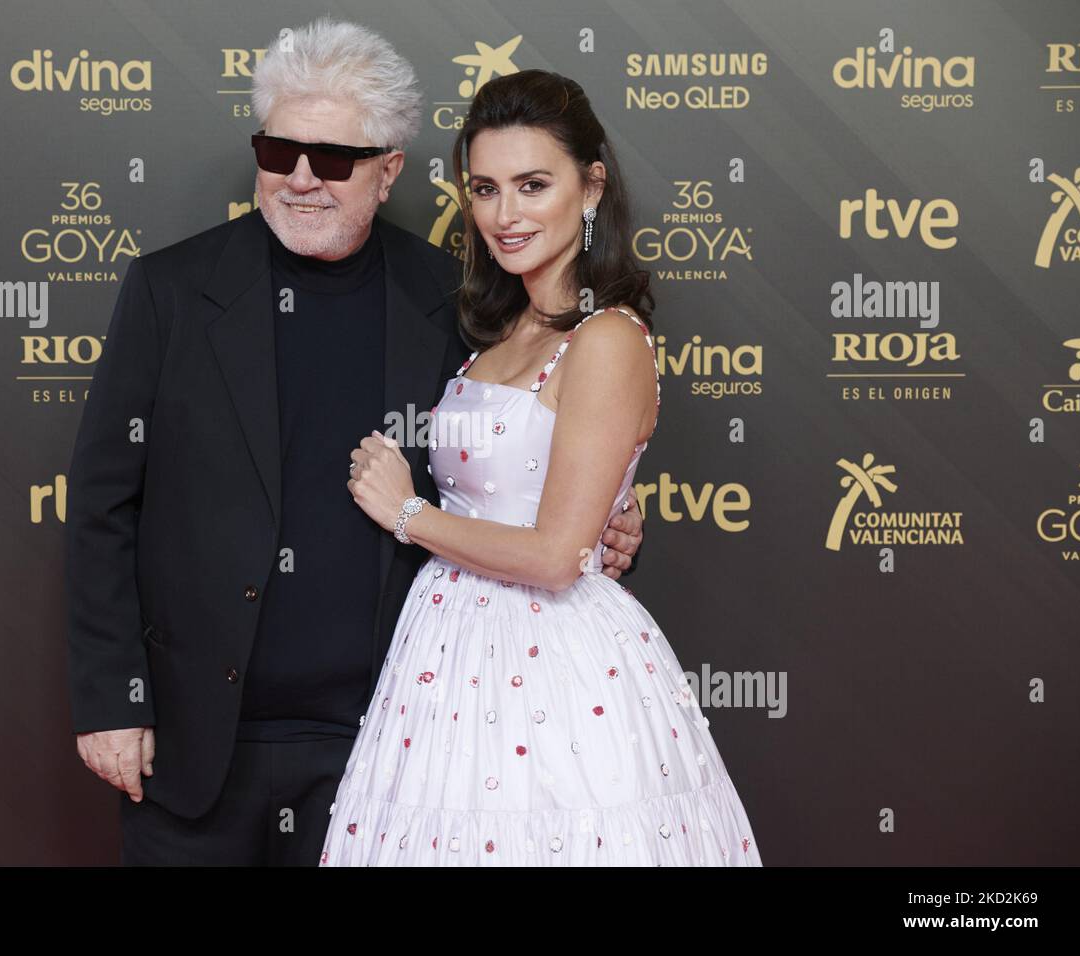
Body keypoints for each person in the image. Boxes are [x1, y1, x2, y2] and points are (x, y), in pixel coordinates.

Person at [63, 18, 646, 866]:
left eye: (334, 159)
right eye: (278, 152)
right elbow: (102, 505)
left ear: (388, 172)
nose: (301, 180)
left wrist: (609, 524)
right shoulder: (172, 290)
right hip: (192, 739)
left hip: (393, 739)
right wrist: (111, 698)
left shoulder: (456, 302)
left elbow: (519, 471)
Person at [321, 69, 762, 866]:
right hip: (444, 659)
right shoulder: (499, 331)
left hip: (555, 665)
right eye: (485, 189)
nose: (505, 214)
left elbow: (559, 557)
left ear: (591, 187)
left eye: (533, 184)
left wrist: (405, 512)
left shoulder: (608, 339)